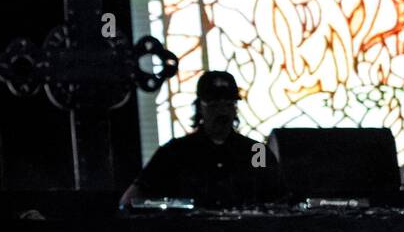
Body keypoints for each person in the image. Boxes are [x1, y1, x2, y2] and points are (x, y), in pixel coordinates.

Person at [121, 70, 284, 207]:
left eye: (229, 104)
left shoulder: (256, 152)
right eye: (214, 104)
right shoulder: (175, 153)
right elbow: (132, 199)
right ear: (200, 107)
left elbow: (277, 199)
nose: (222, 111)